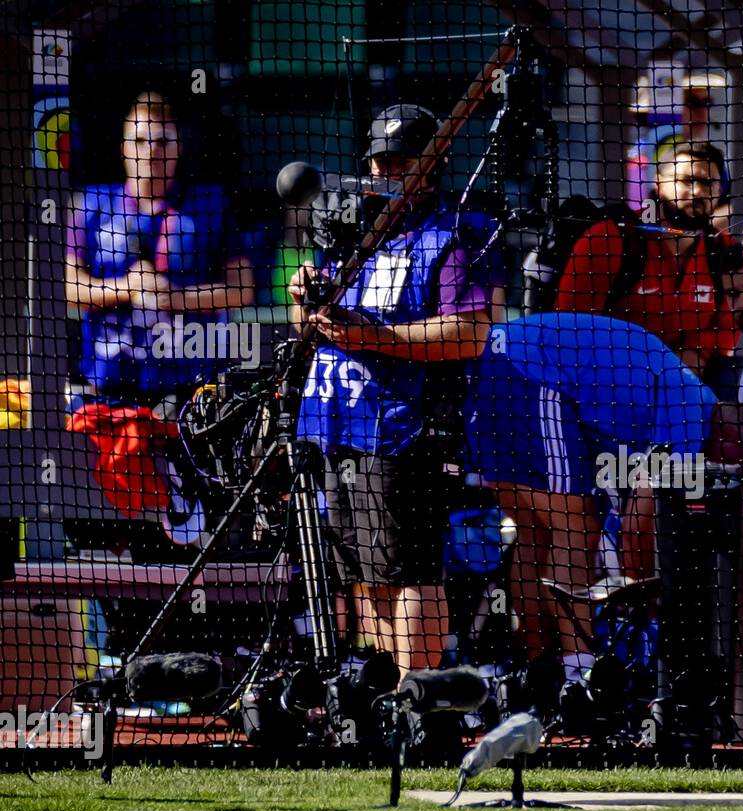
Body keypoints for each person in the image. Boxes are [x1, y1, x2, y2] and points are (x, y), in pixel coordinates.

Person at [288, 103, 505, 694]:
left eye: (401, 161)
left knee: (410, 570)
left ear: (430, 166)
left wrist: (372, 338)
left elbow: (470, 332)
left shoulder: (453, 234)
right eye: (379, 161)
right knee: (364, 575)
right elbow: (311, 322)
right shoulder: (352, 230)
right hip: (333, 419)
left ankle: (419, 701)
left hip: (403, 423)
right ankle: (380, 700)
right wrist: (301, 294)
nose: (386, 172)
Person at [461, 311, 720, 697]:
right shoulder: (696, 414)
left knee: (536, 533)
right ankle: (579, 676)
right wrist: (645, 604)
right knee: (574, 527)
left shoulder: (662, 408)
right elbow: (640, 525)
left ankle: (540, 673)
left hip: (497, 369)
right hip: (532, 373)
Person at [65, 90, 253, 550]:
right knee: (107, 526)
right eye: (142, 140)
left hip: (186, 390)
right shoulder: (90, 204)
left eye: (164, 141)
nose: (153, 151)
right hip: (110, 388)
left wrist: (175, 297)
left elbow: (242, 288)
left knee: (192, 539)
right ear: (124, 148)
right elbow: (65, 285)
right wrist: (125, 288)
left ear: (179, 148)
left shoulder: (209, 203)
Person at [552, 139, 739, 380]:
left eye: (708, 183)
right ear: (658, 184)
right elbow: (569, 328)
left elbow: (729, 324)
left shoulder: (722, 249)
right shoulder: (612, 238)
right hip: (607, 380)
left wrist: (697, 353)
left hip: (683, 386)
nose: (698, 192)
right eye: (686, 180)